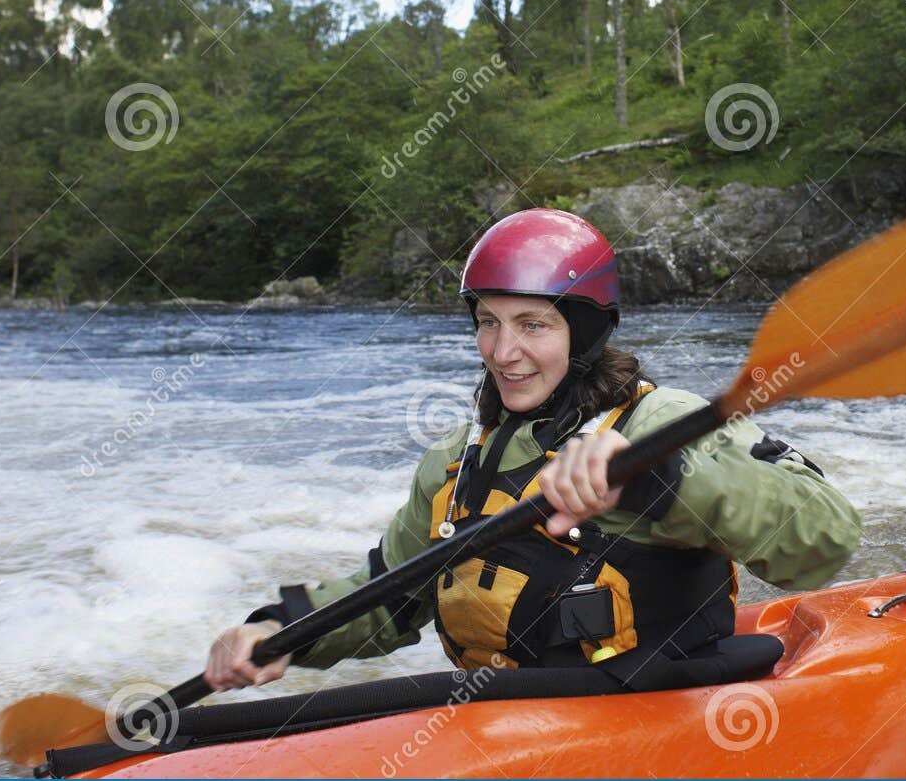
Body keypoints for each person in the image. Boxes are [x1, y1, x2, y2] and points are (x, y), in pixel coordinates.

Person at [205, 208, 862, 688]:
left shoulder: (665, 421)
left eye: (532, 325)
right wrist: (280, 631)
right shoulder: (457, 462)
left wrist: (658, 483)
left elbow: (824, 537)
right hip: (514, 740)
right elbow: (389, 594)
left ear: (583, 334)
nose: (503, 351)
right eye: (488, 322)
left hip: (663, 725)